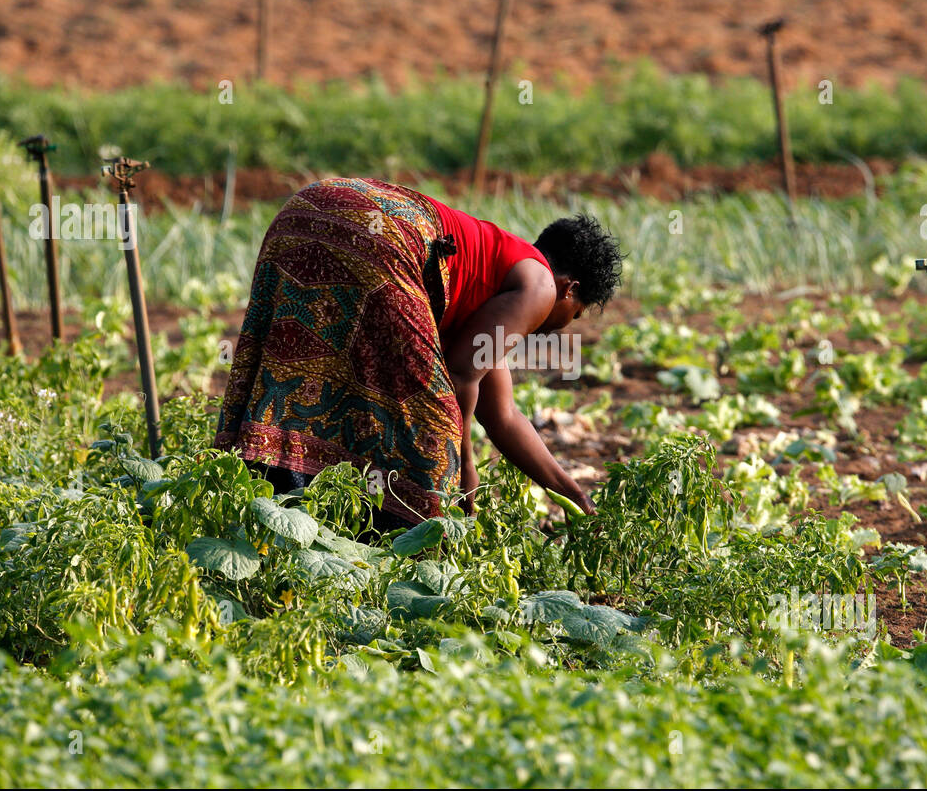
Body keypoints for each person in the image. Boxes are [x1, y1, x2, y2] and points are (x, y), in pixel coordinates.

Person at [214, 176, 623, 530]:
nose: (563, 323)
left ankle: (266, 504)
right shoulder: (540, 287)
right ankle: (392, 544)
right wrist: (464, 468)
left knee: (302, 364)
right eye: (576, 314)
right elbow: (460, 380)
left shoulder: (496, 272)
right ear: (569, 288)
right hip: (379, 233)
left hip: (308, 210)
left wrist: (576, 498)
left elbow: (502, 415)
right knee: (428, 421)